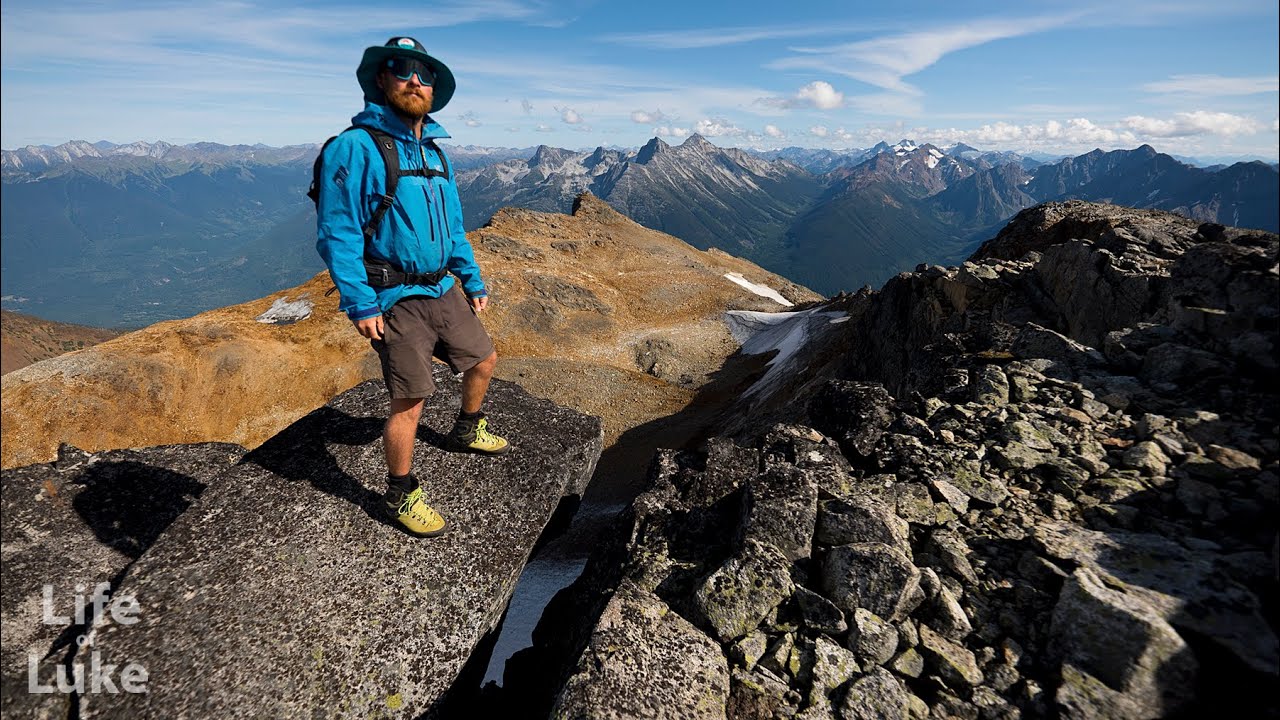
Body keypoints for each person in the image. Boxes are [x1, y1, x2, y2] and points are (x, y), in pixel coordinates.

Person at [316, 36, 509, 539]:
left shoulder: (436, 154)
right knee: (410, 400)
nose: (415, 81)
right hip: (395, 295)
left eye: (425, 74)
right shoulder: (353, 148)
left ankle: (467, 428)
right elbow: (338, 233)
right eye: (403, 69)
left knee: (483, 359)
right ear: (382, 78)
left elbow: (453, 230)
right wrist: (359, 303)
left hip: (443, 286)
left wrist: (472, 278)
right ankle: (400, 491)